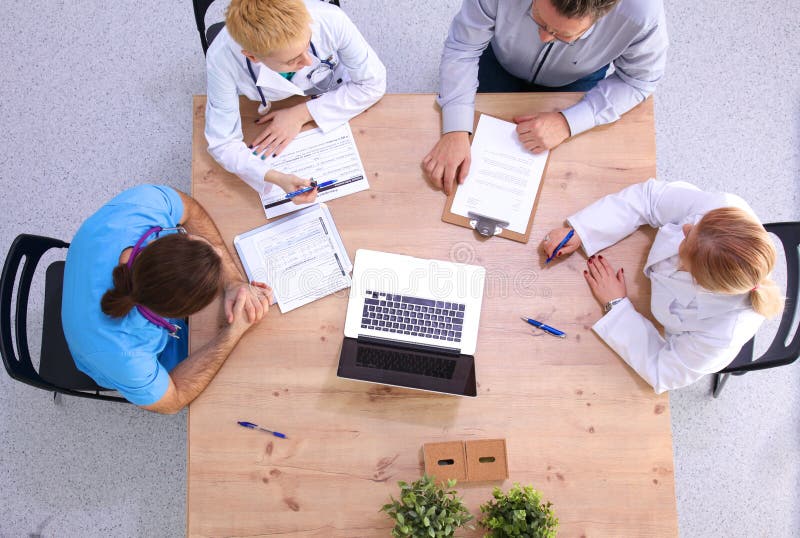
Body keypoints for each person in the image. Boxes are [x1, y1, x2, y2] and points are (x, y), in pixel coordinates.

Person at [542, 179, 783, 393]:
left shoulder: (722, 336)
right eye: (697, 224)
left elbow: (662, 370)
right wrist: (583, 231)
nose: (686, 227)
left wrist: (616, 307)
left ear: (697, 280)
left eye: (687, 238)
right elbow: (650, 199)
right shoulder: (724, 208)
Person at [61, 185, 272, 413]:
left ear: (156, 243)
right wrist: (232, 333)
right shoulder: (127, 355)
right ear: (174, 315)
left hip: (82, 291)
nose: (219, 253)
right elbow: (173, 399)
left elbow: (190, 209)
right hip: (98, 355)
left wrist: (232, 280)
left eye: (188, 236)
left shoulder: (140, 207)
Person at [423, 0, 668, 195]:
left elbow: (638, 80)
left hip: (575, 82)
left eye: (563, 36)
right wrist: (455, 129)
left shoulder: (642, 13)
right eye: (537, 18)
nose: (544, 37)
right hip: (497, 62)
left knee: (559, 182)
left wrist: (568, 122)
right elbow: (463, 48)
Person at [205, 0, 386, 198]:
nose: (309, 61)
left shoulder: (330, 18)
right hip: (270, 109)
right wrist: (276, 177)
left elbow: (373, 83)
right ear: (253, 57)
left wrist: (301, 113)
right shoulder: (220, 59)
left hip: (332, 90)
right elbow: (222, 143)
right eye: (292, 60)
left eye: (307, 44)